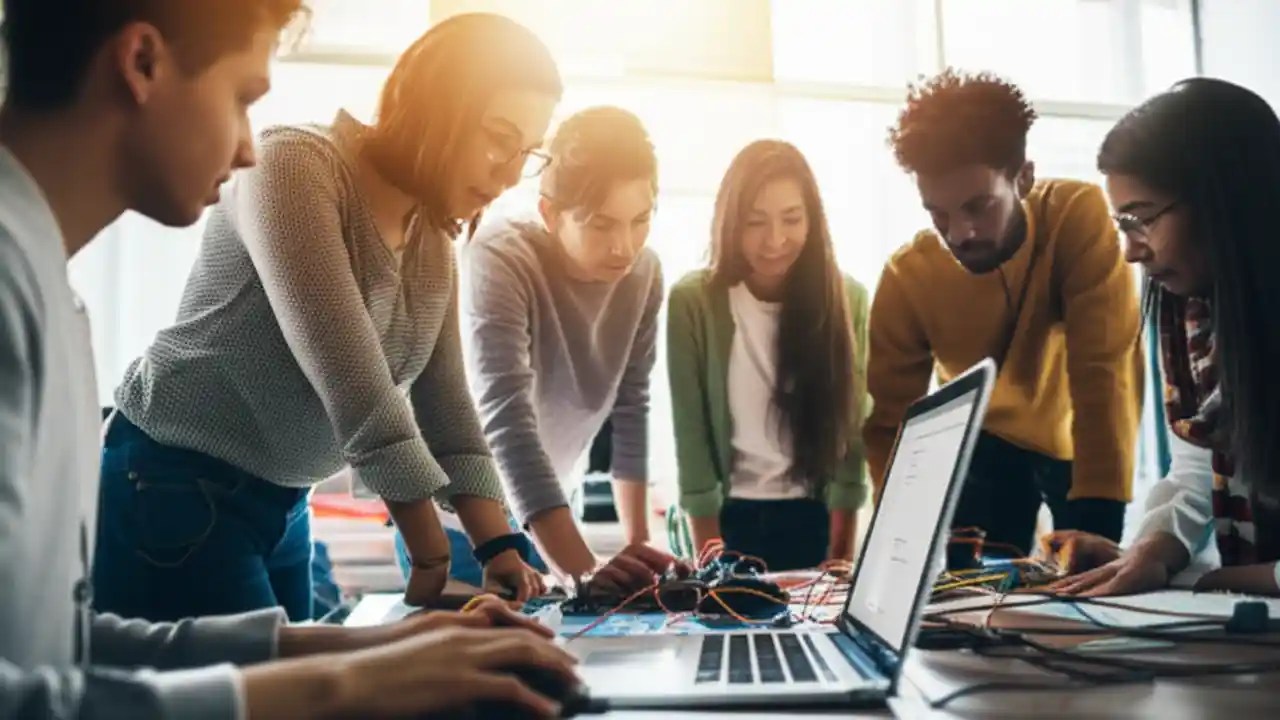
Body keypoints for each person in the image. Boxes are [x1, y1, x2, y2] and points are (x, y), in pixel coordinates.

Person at [0, 2, 577, 718]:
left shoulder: (47, 289)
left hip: (279, 501)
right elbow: (357, 387)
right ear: (141, 63)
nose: (248, 148)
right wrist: (369, 656)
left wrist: (414, 627)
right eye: (243, 98)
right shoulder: (293, 164)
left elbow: (61, 652)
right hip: (178, 484)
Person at [867, 69, 1144, 559]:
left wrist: (1100, 506)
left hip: (1082, 432)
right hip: (988, 440)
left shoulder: (1077, 217)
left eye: (979, 207)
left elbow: (1103, 370)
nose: (959, 233)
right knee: (973, 595)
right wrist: (897, 537)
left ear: (1025, 177)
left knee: (1090, 585)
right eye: (939, 214)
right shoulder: (907, 276)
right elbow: (891, 424)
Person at [394, 105, 674, 589]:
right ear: (550, 213)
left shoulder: (643, 273)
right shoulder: (500, 253)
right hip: (466, 526)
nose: (623, 247)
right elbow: (506, 421)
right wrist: (582, 571)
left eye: (640, 220)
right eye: (601, 224)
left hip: (547, 512)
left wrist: (640, 545)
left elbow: (631, 403)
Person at [1046, 78, 1280, 598]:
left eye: (1141, 220)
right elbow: (1197, 470)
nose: (1130, 251)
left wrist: (1211, 580)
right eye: (1121, 224)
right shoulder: (1196, 318)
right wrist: (1150, 553)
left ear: (1225, 200)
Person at [667, 139, 870, 571]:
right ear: (730, 223)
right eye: (755, 222)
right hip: (728, 520)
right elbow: (692, 438)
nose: (775, 240)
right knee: (730, 635)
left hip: (813, 518)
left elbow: (850, 432)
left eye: (792, 219)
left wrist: (840, 553)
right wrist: (710, 563)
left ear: (813, 220)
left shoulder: (847, 298)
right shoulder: (692, 302)